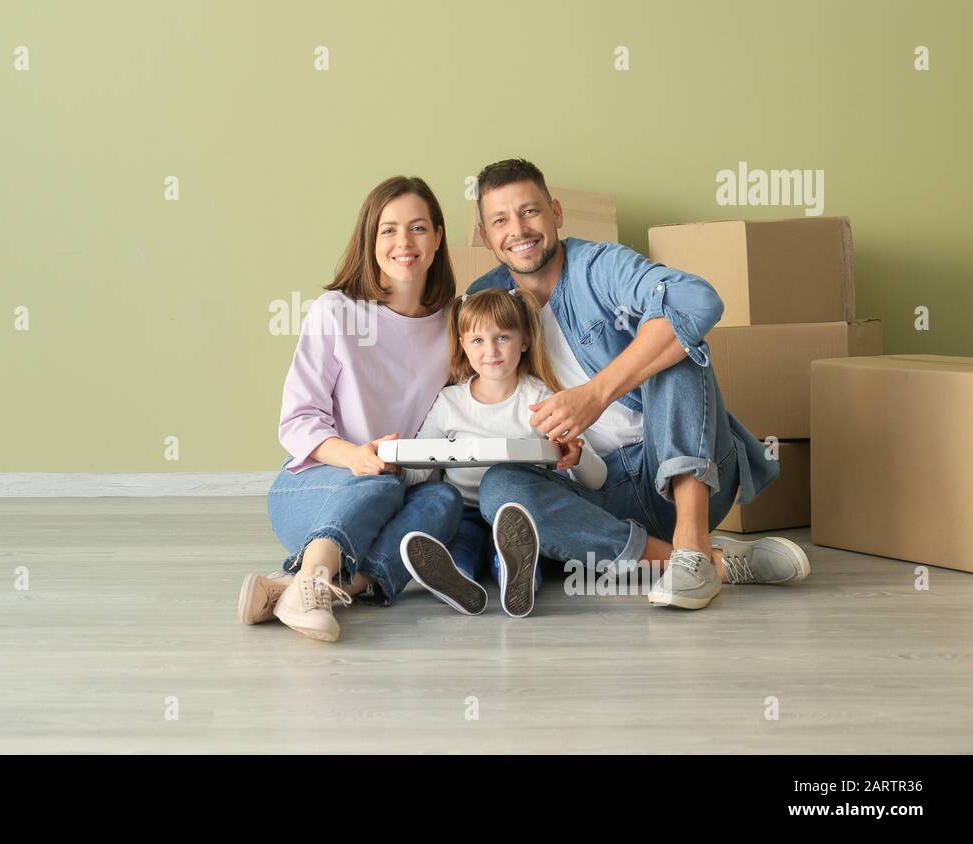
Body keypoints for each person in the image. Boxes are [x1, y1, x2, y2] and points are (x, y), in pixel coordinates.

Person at [467, 158, 810, 610]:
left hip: (678, 472)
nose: (518, 229)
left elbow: (698, 300)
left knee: (678, 344)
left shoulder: (600, 266)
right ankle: (704, 563)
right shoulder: (483, 299)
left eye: (530, 211)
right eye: (500, 220)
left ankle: (692, 542)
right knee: (500, 488)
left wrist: (595, 395)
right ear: (485, 235)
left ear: (556, 213)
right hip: (594, 497)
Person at [237, 176, 464, 642]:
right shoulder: (335, 311)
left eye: (418, 228)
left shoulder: (455, 324)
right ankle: (315, 576)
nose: (404, 242)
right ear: (371, 240)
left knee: (444, 501)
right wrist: (357, 457)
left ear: (438, 238)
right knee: (378, 481)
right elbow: (297, 421)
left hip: (401, 491)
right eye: (388, 230)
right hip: (316, 490)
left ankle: (305, 588)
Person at [397, 287, 607, 618]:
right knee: (461, 545)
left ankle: (518, 578)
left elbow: (597, 480)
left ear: (524, 340)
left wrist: (577, 458)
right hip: (465, 512)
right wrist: (394, 468)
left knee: (515, 548)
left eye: (503, 337)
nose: (491, 350)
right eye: (478, 340)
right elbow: (421, 466)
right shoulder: (450, 402)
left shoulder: (541, 399)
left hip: (519, 516)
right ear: (463, 345)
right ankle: (457, 579)